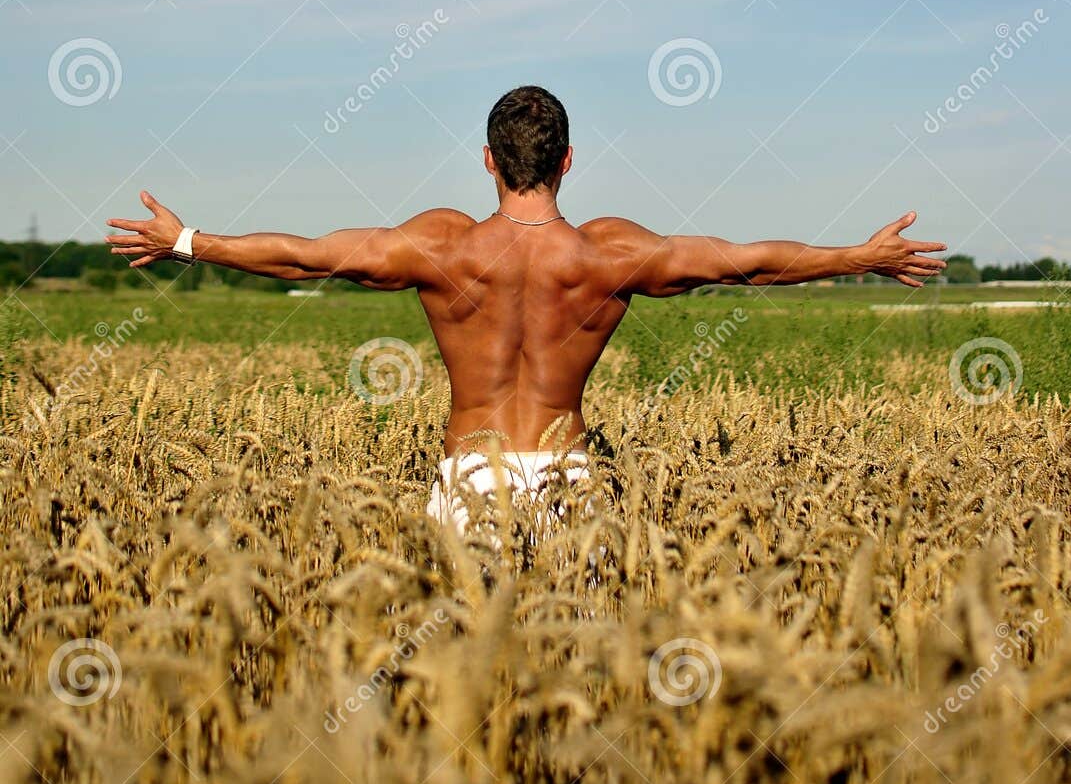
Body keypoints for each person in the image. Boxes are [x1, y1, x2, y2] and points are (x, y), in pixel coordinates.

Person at [106, 83, 946, 533]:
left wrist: (189, 242)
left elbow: (307, 255)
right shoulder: (607, 254)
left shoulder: (443, 246)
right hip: (572, 484)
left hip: (467, 480)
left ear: (485, 160)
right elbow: (747, 264)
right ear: (569, 160)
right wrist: (861, 257)